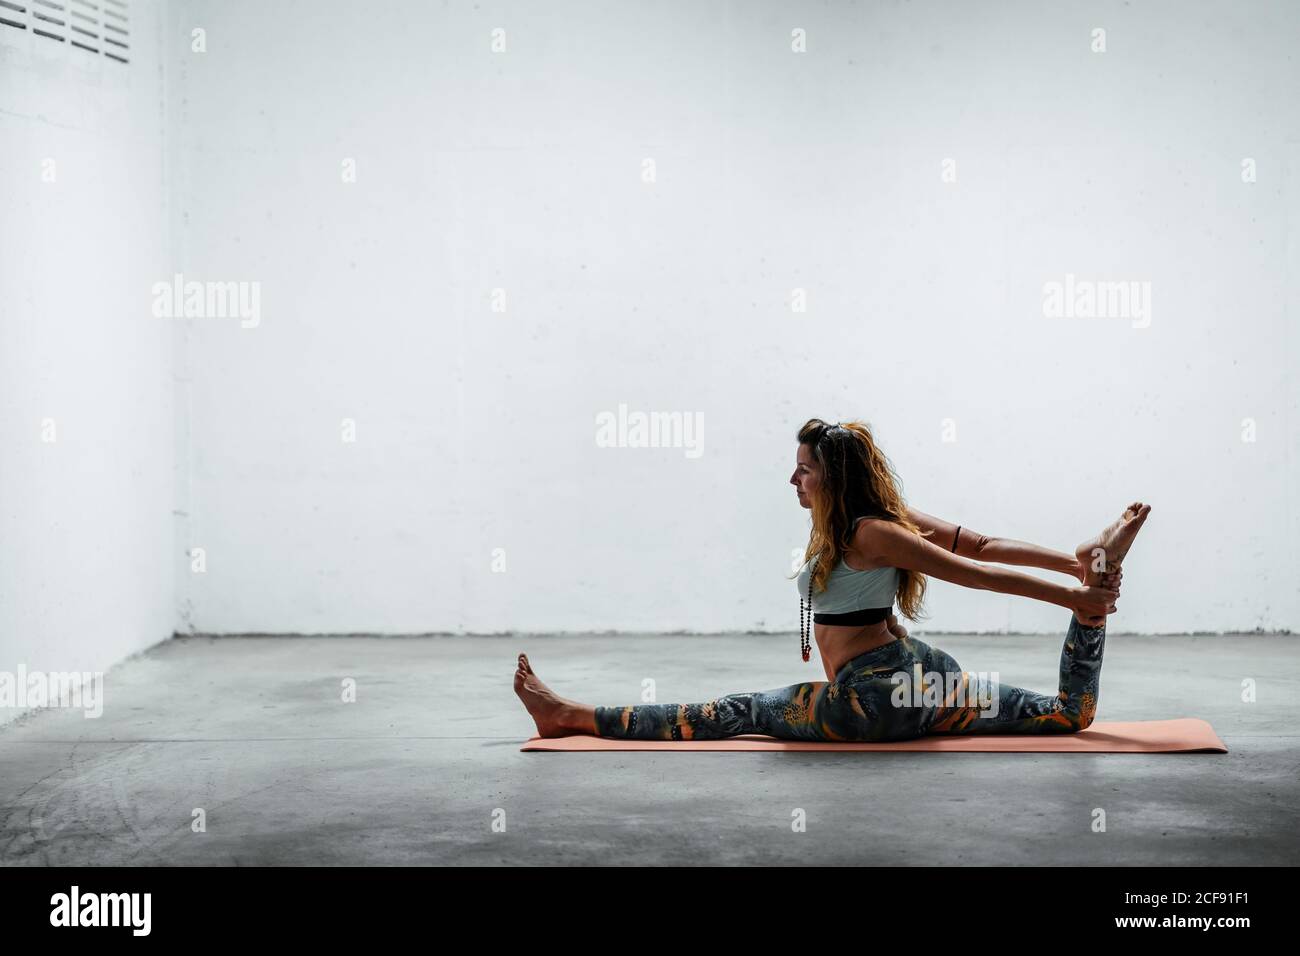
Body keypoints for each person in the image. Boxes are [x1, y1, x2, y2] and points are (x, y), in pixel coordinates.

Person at [514, 418, 1150, 742]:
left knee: (736, 712)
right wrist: (1076, 569)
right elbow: (977, 543)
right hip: (923, 680)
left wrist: (1072, 594)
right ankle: (1097, 572)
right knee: (1067, 715)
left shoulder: (868, 533)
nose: (794, 480)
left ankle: (572, 717)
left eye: (804, 470)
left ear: (832, 477)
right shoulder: (870, 522)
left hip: (876, 699)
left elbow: (975, 570)